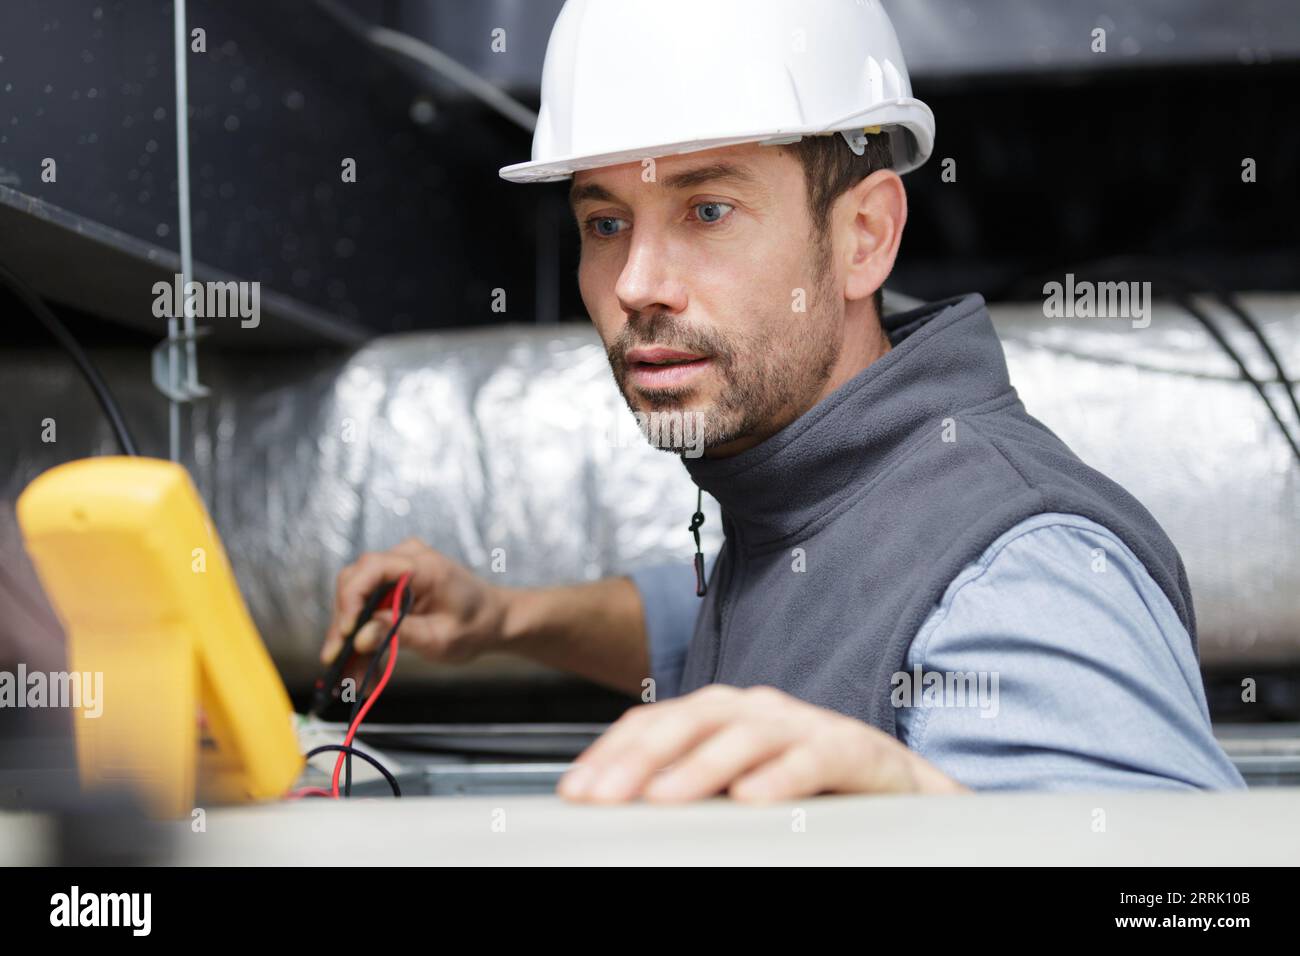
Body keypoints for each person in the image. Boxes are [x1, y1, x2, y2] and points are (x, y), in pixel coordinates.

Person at [323, 0, 1244, 803]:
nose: (638, 283)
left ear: (865, 237)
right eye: (605, 223)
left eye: (708, 210)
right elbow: (747, 615)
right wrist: (507, 619)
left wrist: (921, 805)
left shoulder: (1015, 575)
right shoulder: (816, 498)